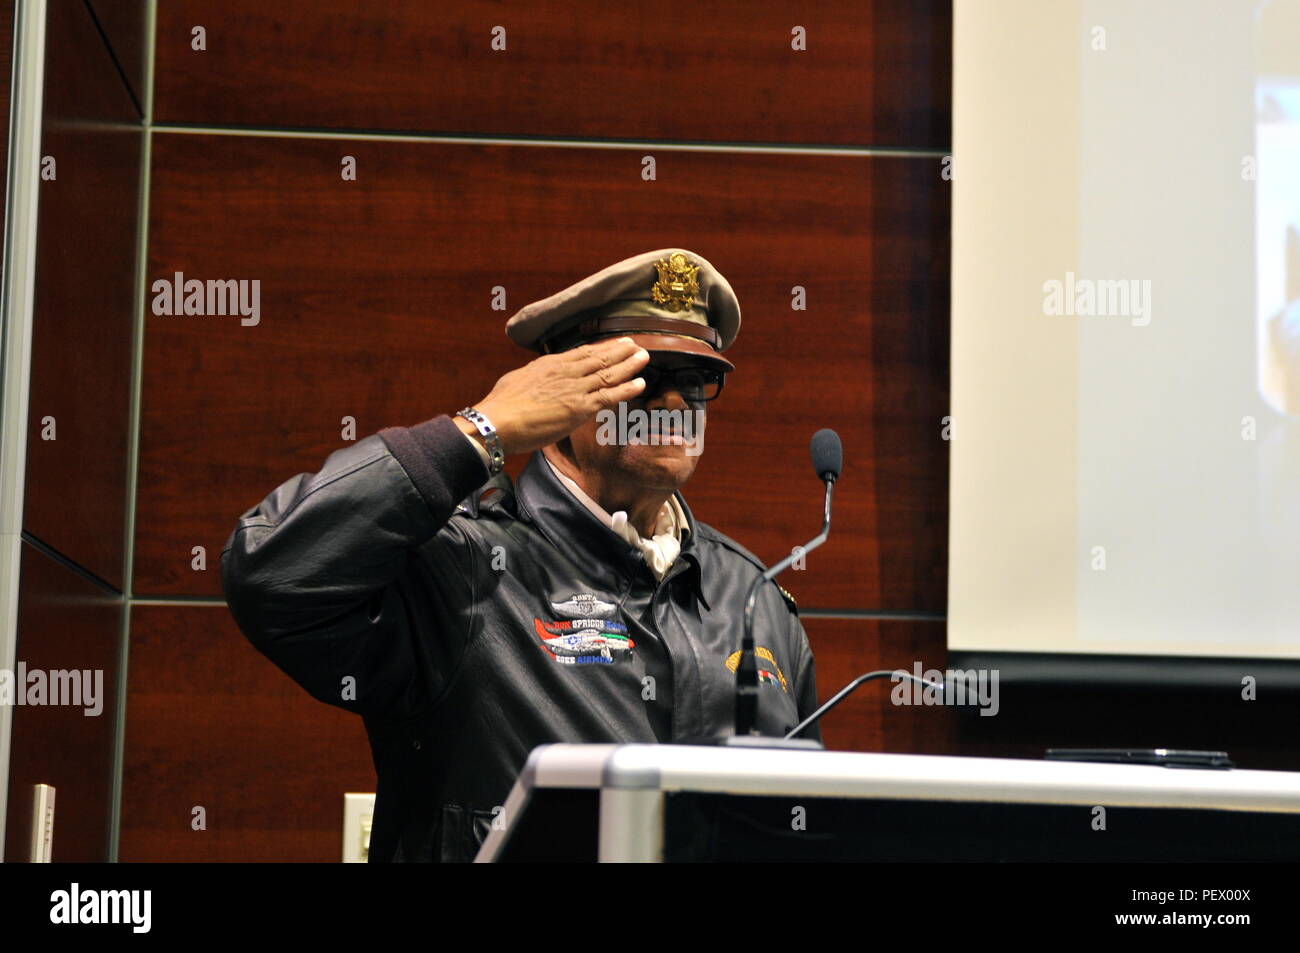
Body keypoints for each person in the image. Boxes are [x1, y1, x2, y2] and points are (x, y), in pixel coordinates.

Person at [220, 248, 822, 862]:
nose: (673, 406)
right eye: (645, 376)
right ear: (558, 390)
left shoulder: (754, 596)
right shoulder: (458, 563)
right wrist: (481, 430)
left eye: (695, 381)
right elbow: (270, 572)